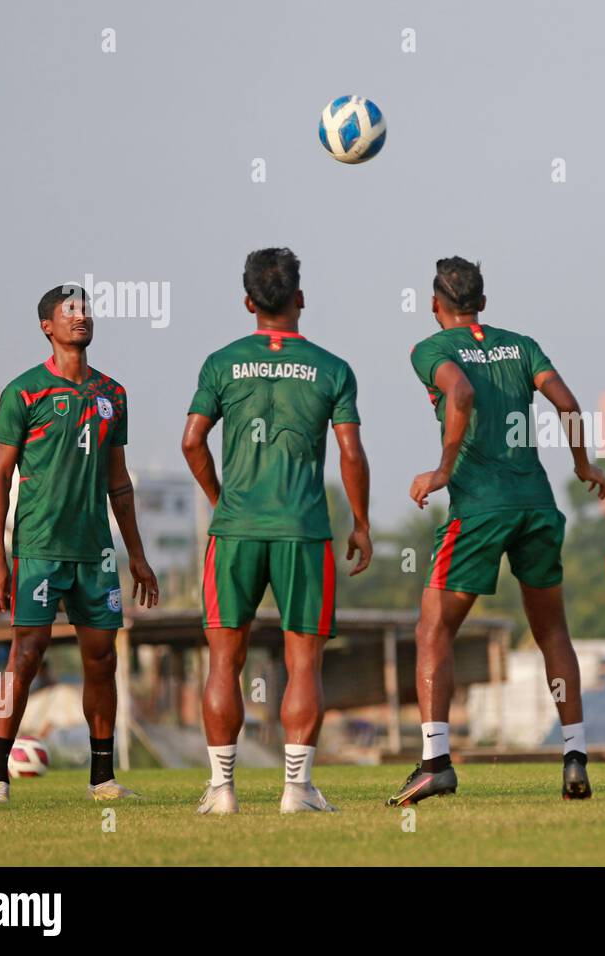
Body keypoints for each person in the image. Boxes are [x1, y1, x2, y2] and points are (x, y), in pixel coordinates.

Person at [386, 256, 605, 806]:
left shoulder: (430, 349)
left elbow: (460, 393)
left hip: (480, 509)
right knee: (552, 632)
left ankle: (436, 763)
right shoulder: (522, 346)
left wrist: (443, 470)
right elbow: (567, 404)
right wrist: (582, 465)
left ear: (434, 305)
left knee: (433, 630)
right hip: (536, 504)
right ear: (482, 302)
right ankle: (575, 757)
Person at [182, 248, 373, 814]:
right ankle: (297, 790)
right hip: (302, 529)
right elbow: (351, 452)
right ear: (300, 298)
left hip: (235, 530)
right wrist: (361, 523)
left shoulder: (221, 363)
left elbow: (191, 441)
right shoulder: (332, 368)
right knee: (303, 663)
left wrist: (220, 500)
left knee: (224, 661)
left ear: (248, 303)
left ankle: (222, 790)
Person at [0, 284, 159, 805]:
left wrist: (137, 556)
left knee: (102, 660)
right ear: (47, 326)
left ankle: (102, 779)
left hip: (96, 553)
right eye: (70, 311)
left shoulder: (112, 394)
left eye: (86, 309)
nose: (81, 317)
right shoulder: (24, 392)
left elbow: (119, 483)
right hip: (39, 548)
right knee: (27, 654)